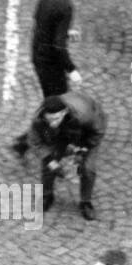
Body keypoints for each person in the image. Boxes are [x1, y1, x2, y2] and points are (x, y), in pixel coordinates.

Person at [11, 0, 87, 156]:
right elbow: (59, 46)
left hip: (39, 56)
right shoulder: (66, 6)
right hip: (51, 64)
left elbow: (42, 23)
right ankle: (26, 142)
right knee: (56, 105)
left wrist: (66, 33)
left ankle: (39, 139)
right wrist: (72, 70)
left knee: (53, 103)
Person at [27, 92, 105, 221]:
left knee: (88, 168)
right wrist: (51, 162)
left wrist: (83, 149)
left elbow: (98, 130)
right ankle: (47, 195)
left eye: (56, 119)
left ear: (64, 112)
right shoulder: (39, 120)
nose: (52, 123)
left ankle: (85, 201)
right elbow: (36, 142)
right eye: (49, 119)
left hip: (85, 133)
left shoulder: (85, 115)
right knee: (49, 164)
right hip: (60, 134)